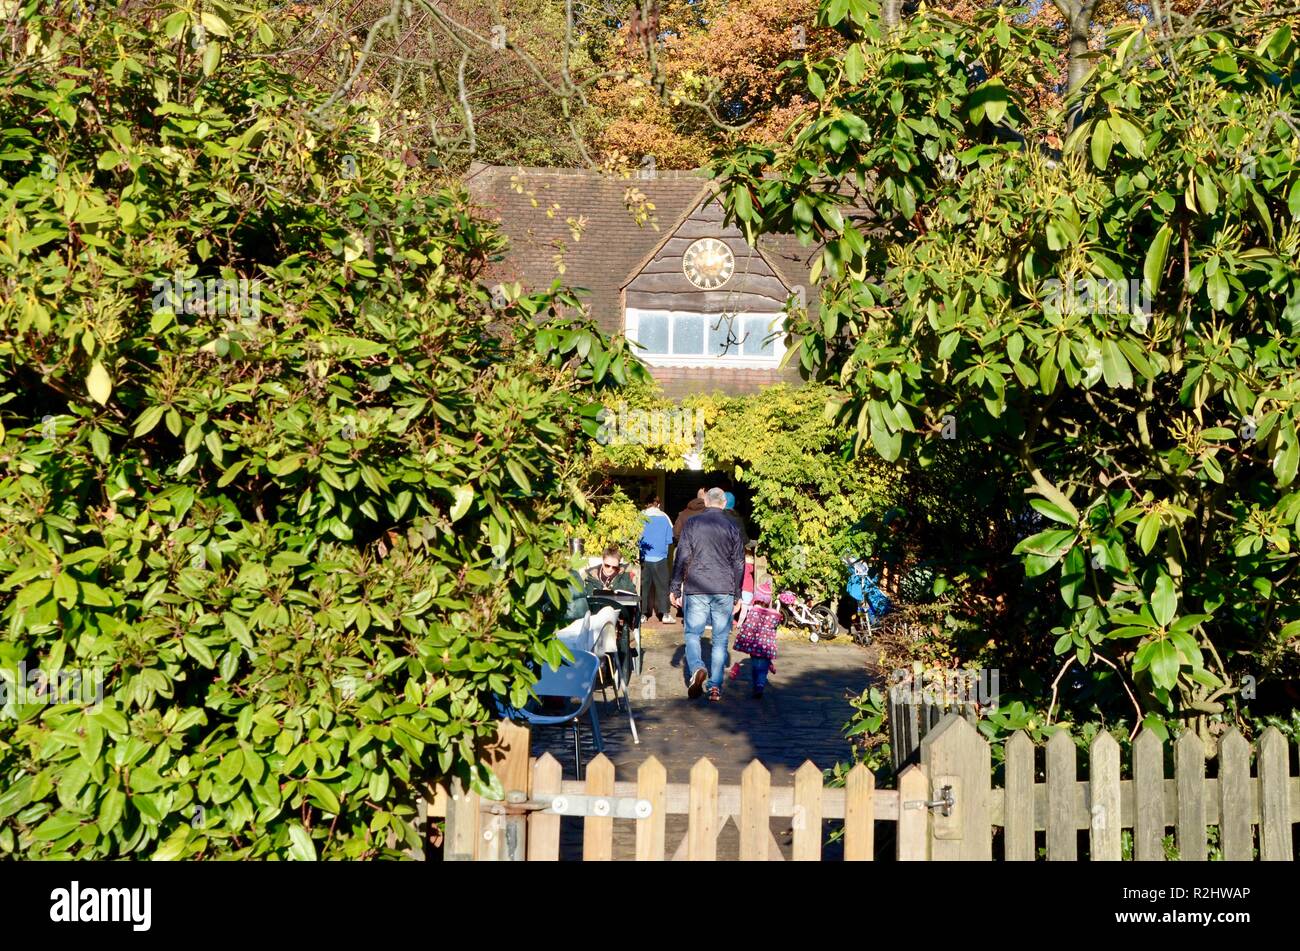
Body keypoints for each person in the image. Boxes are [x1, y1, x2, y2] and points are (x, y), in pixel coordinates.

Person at [670, 487, 745, 702]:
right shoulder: (733, 525)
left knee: (693, 634)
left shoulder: (693, 523)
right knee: (720, 640)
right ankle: (715, 687)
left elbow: (682, 556)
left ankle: (697, 667)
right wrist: (738, 594)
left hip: (696, 586)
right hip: (724, 587)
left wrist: (675, 586)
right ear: (724, 503)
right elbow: (739, 563)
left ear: (705, 501)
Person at [638, 497, 674, 623]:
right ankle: (665, 614)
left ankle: (643, 615)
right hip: (661, 558)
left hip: (644, 558)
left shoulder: (640, 518)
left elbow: (636, 538)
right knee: (663, 587)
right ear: (658, 504)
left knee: (644, 587)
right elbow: (669, 540)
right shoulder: (664, 518)